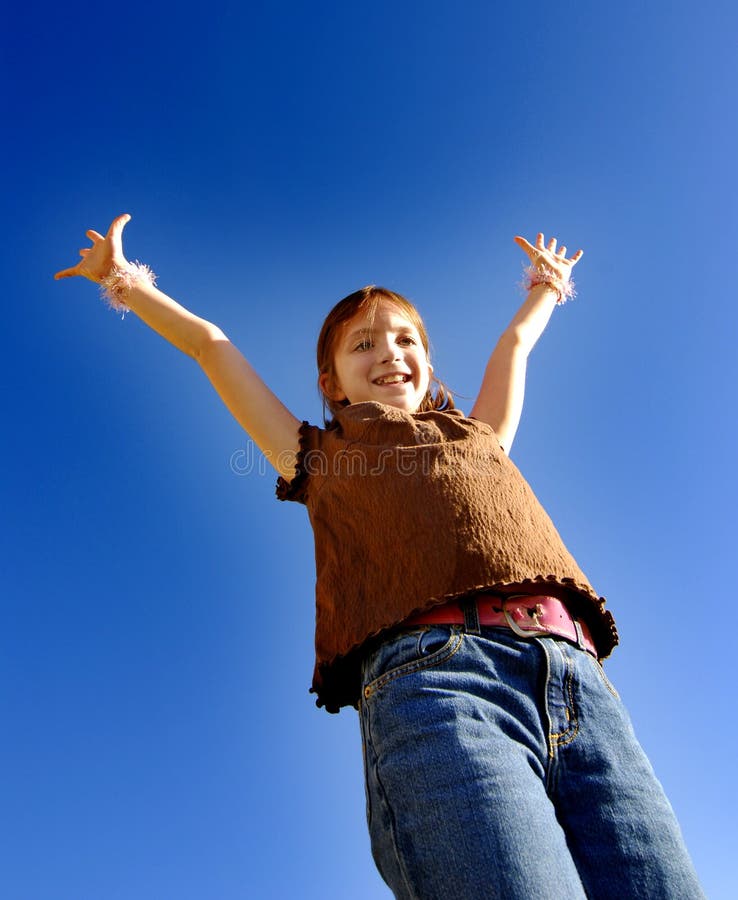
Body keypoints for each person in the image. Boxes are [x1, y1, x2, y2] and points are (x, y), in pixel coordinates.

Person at [55, 216, 704, 899]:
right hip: (443, 689)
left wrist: (548, 286)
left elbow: (515, 344)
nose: (389, 350)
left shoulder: (481, 435)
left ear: (426, 361)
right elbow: (212, 347)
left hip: (580, 684)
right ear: (331, 382)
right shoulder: (316, 454)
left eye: (405, 338)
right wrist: (122, 281)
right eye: (362, 343)